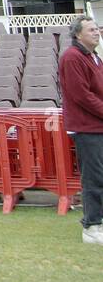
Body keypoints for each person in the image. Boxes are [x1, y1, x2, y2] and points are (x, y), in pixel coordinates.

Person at [58, 14, 103, 245]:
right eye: (91, 30)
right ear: (78, 34)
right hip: (87, 128)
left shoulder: (93, 57)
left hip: (98, 126)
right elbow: (82, 96)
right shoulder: (72, 57)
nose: (97, 32)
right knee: (94, 178)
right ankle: (91, 227)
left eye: (97, 29)